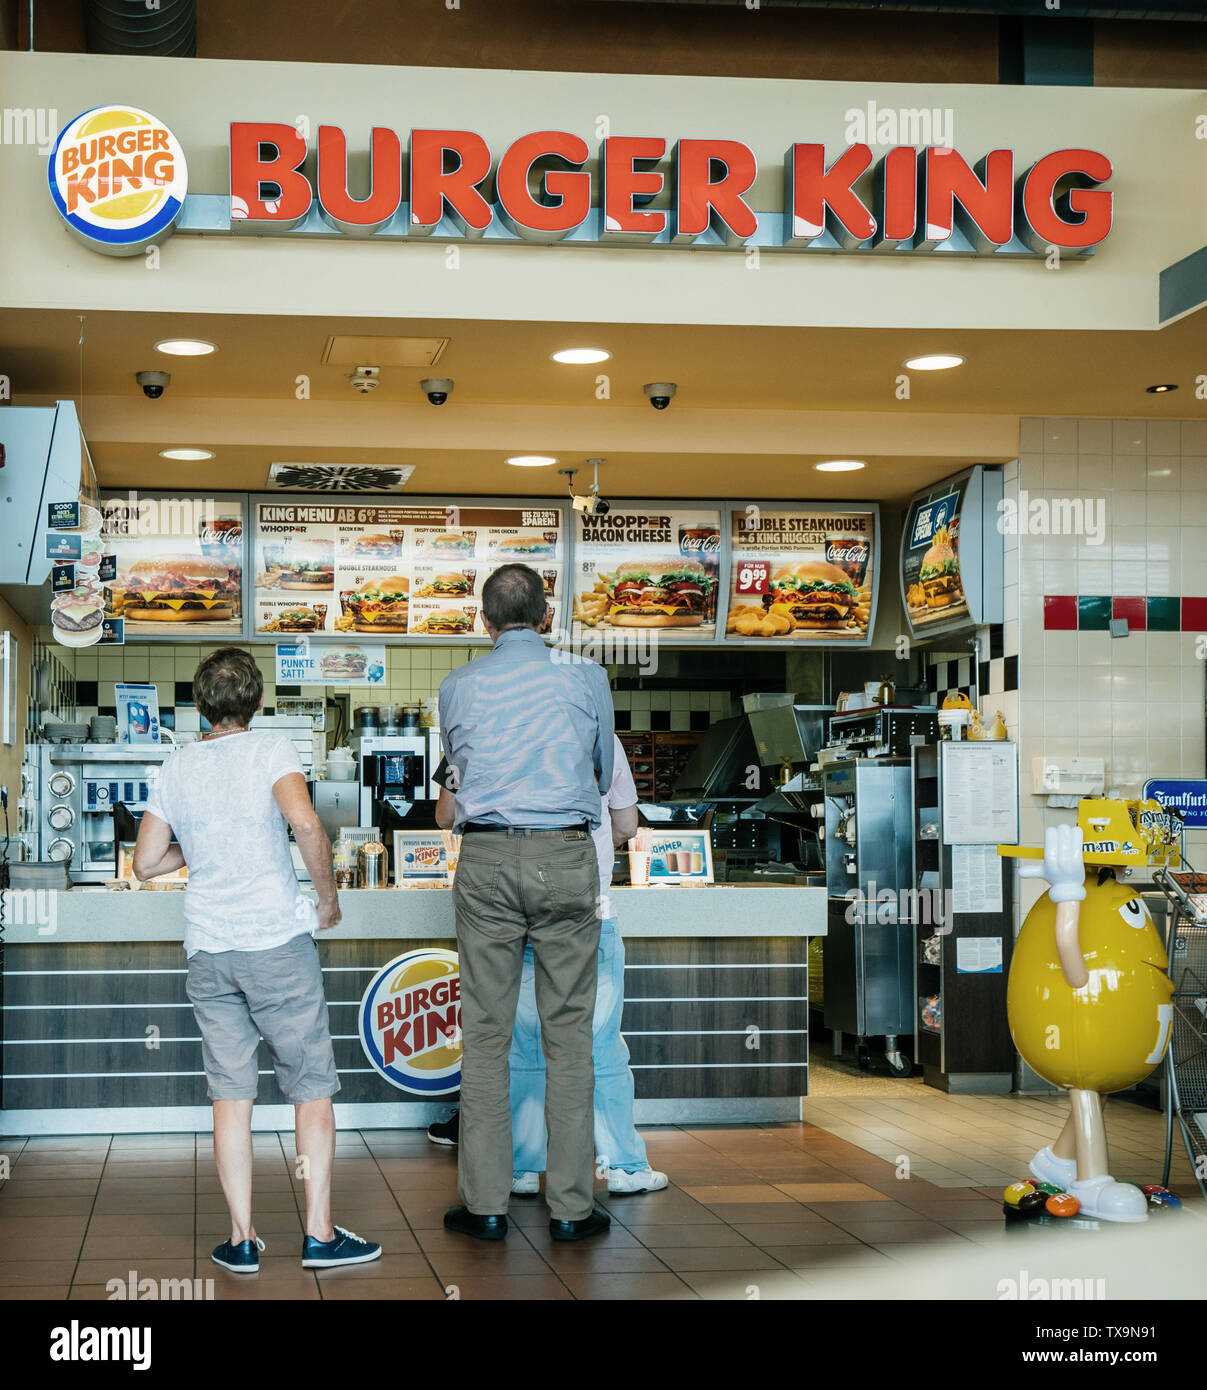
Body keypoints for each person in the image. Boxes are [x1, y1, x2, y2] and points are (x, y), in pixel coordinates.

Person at [133, 647, 381, 1274]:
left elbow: (146, 862)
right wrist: (326, 902)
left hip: (209, 950)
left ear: (198, 705)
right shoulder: (272, 750)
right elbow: (307, 826)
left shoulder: (177, 763)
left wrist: (206, 845)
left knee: (230, 1096)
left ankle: (242, 1239)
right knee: (311, 1088)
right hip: (275, 942)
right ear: (259, 702)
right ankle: (318, 1236)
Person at [438, 563, 614, 1243]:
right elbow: (599, 772)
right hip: (566, 854)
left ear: (484, 623)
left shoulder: (457, 685)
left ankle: (484, 1206)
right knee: (568, 1035)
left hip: (483, 857)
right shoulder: (587, 677)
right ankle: (571, 1209)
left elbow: (456, 770)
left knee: (484, 1034)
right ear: (547, 617)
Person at [430, 738, 668, 1195]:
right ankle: (621, 1165)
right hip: (586, 906)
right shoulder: (599, 734)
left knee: (519, 1045)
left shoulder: (474, 732)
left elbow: (445, 815)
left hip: (501, 906)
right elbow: (626, 823)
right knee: (598, 1044)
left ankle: (519, 1168)